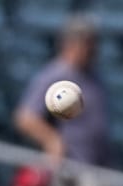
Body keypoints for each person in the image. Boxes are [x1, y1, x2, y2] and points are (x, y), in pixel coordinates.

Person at [14, 13, 109, 166]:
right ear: (71, 43)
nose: (93, 49)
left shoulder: (94, 77)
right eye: (88, 43)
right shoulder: (56, 75)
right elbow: (25, 117)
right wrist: (52, 140)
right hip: (68, 166)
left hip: (93, 165)